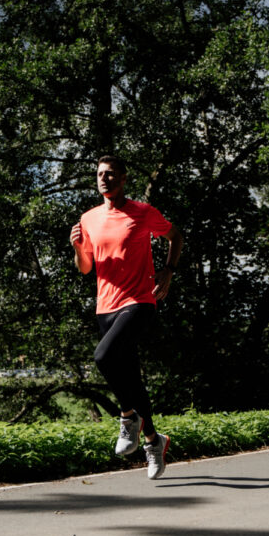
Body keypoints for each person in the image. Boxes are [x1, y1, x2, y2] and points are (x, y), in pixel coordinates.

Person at [70, 155, 183, 479]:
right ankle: (153, 442)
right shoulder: (89, 218)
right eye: (100, 174)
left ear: (123, 178)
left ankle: (126, 416)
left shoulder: (143, 213)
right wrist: (77, 248)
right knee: (131, 378)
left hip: (139, 300)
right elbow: (87, 267)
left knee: (103, 357)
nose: (104, 179)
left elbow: (176, 236)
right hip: (105, 306)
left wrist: (168, 271)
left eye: (110, 174)